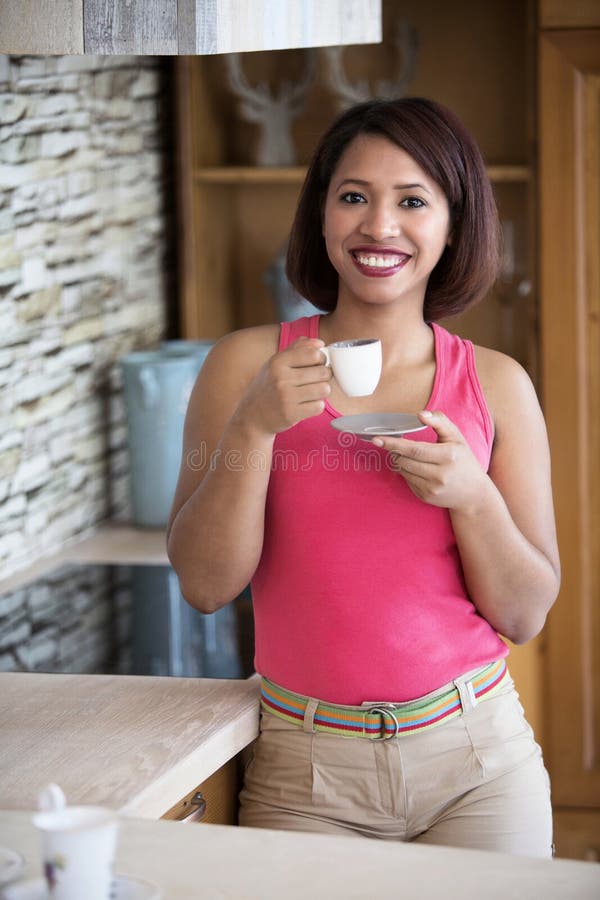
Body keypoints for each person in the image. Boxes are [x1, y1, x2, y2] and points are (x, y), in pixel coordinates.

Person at [166, 97, 560, 856]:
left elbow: (525, 614)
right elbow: (205, 586)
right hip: (305, 775)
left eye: (413, 201)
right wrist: (254, 424)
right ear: (320, 216)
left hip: (479, 765)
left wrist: (472, 498)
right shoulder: (244, 368)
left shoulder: (498, 385)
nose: (379, 226)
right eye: (354, 197)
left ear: (453, 226)